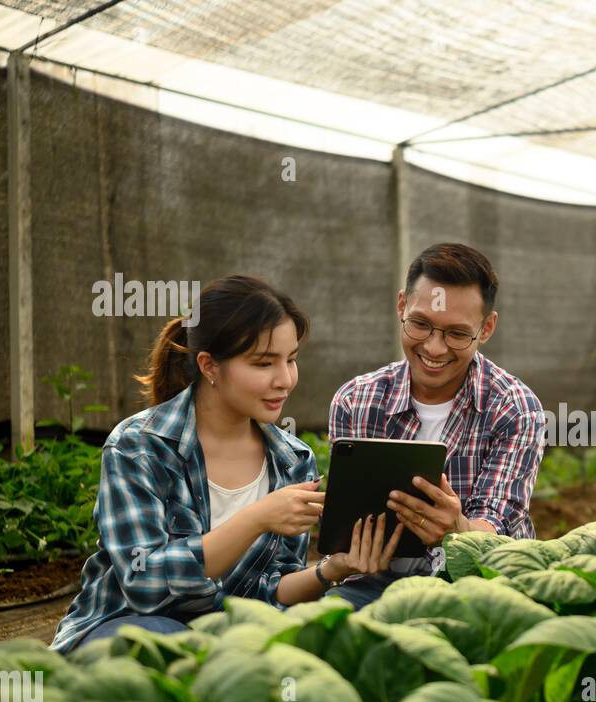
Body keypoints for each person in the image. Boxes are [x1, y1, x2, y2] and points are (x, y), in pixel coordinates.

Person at [52, 275, 399, 653]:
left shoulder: (293, 460)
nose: (284, 380)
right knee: (159, 646)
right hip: (128, 625)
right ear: (210, 366)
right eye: (264, 363)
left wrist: (332, 569)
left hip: (231, 638)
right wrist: (257, 518)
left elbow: (270, 592)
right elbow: (145, 582)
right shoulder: (140, 447)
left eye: (292, 360)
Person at [326, 243, 544, 608]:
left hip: (479, 585)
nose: (435, 348)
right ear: (401, 307)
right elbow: (346, 524)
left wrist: (457, 529)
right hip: (374, 583)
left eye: (457, 334)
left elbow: (498, 522)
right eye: (421, 324)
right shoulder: (355, 401)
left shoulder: (514, 408)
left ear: (486, 328)